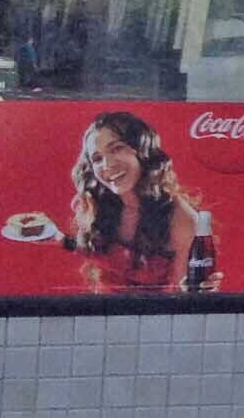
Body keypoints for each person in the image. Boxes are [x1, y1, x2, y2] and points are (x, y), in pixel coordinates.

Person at [69, 109, 202, 293]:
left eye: (116, 148)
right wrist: (56, 238)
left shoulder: (181, 218)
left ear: (143, 152)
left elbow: (186, 298)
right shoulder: (93, 204)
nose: (107, 165)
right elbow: (94, 254)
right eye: (97, 159)